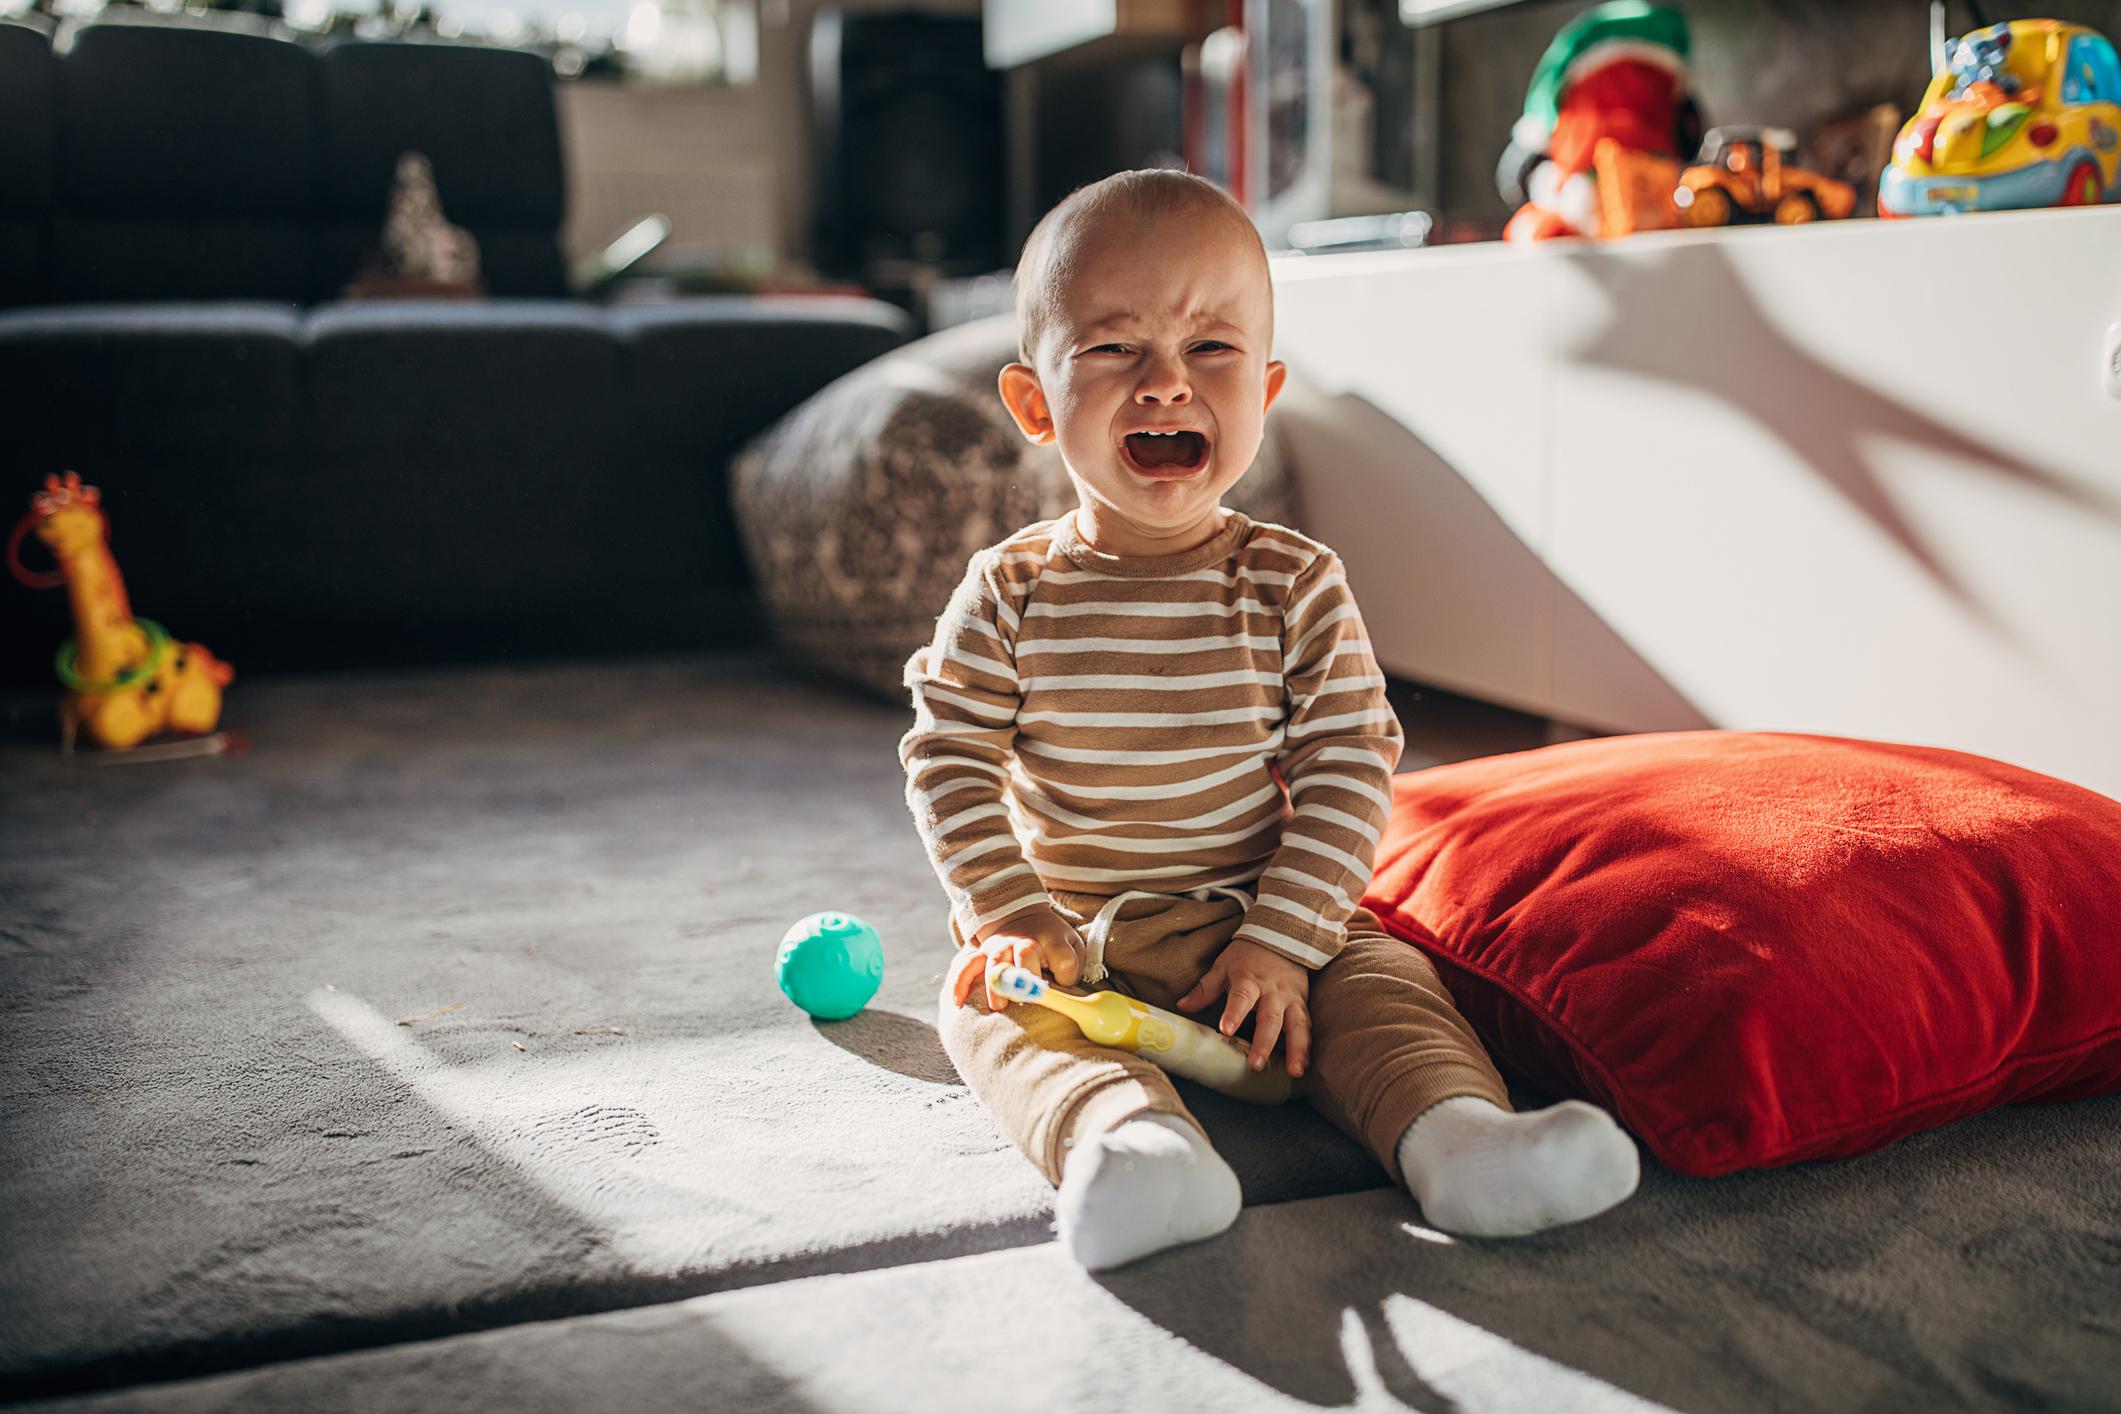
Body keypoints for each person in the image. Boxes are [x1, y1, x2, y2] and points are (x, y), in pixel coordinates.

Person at [900, 169, 1639, 1271]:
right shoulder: (1010, 590)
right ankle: (1135, 1146)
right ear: (1035, 405)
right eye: (1112, 350)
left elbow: (1348, 765)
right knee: (989, 1015)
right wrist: (1009, 909)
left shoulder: (1292, 580)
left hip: (1264, 905)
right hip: (1076, 926)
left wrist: (1282, 940)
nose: (1164, 385)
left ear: (1266, 387)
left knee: (1385, 981)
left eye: (1211, 350)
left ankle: (1461, 1141)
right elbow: (949, 756)